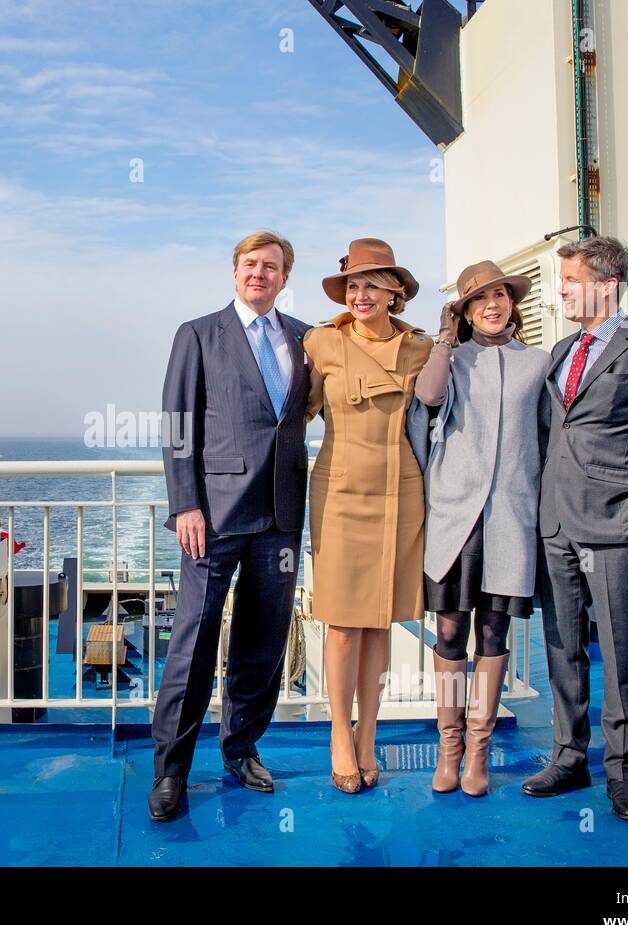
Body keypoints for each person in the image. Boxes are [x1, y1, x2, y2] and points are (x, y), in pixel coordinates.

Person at [522, 235, 628, 824]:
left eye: (569, 281)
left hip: (616, 528)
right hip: (557, 525)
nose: (561, 291)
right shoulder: (562, 350)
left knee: (620, 654)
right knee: (562, 648)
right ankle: (569, 757)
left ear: (607, 284)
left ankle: (623, 773)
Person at [149, 231, 312, 823]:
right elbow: (176, 425)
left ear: (284, 276)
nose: (259, 275)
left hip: (281, 515)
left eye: (271, 267)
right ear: (234, 272)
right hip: (212, 516)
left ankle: (241, 749)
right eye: (250, 265)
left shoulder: (303, 337)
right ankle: (172, 768)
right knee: (192, 641)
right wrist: (184, 504)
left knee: (263, 640)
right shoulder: (198, 334)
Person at [413, 260, 551, 797]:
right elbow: (426, 399)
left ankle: (478, 753)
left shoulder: (538, 363)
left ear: (513, 304)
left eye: (500, 296)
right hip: (455, 518)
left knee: (493, 634)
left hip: (511, 518)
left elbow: (547, 435)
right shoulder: (450, 359)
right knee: (449, 631)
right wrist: (445, 342)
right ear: (465, 311)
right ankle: (448, 749)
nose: (492, 305)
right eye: (479, 299)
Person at [304, 238, 432, 793]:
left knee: (380, 617)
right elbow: (292, 412)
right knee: (342, 620)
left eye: (372, 285)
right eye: (353, 285)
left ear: (395, 292)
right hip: (339, 492)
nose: (361, 295)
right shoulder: (321, 343)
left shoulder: (420, 348)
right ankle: (338, 733)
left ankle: (368, 735)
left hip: (400, 494)